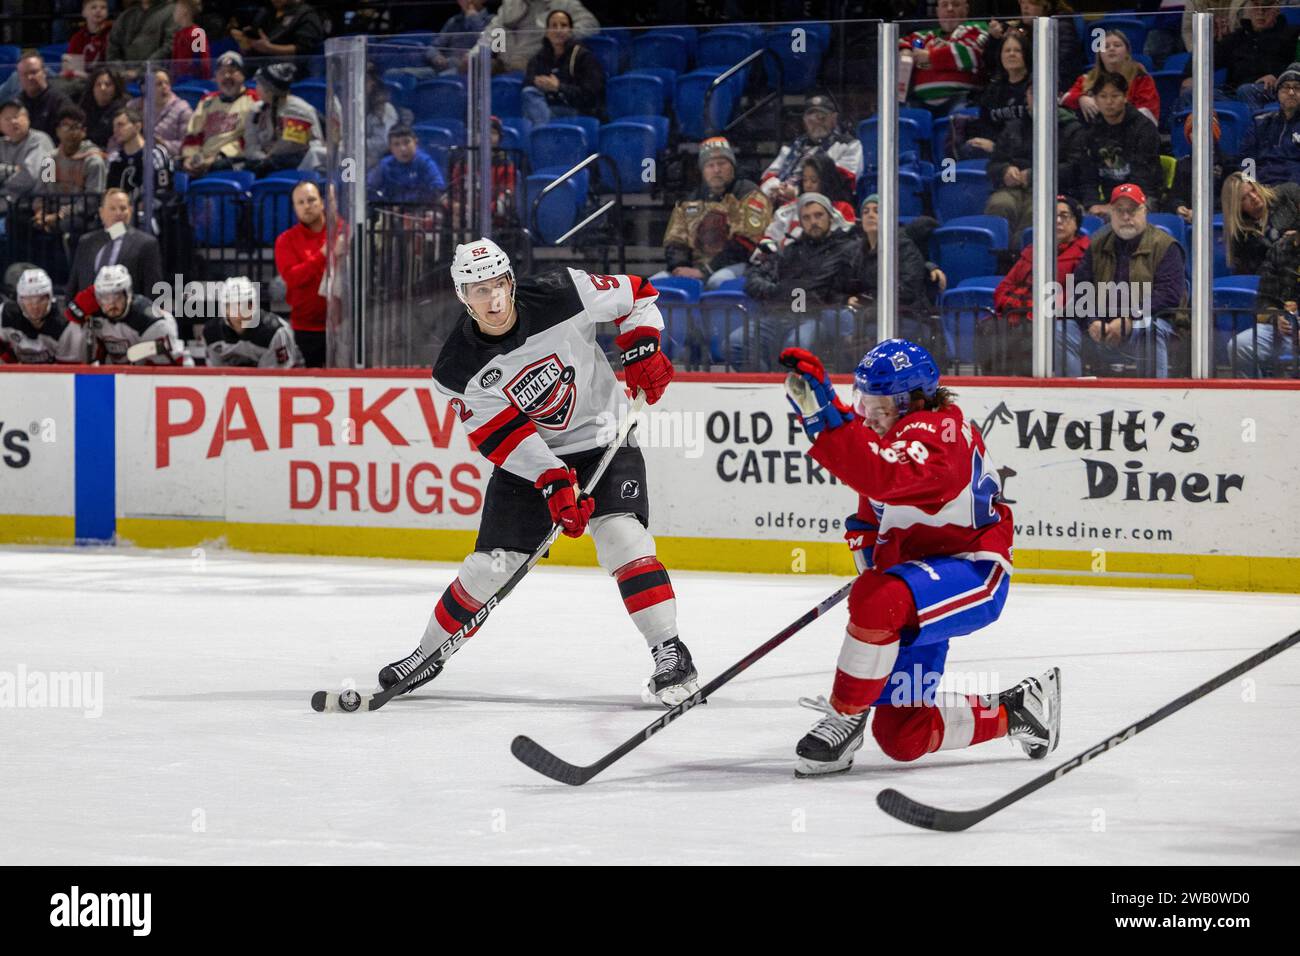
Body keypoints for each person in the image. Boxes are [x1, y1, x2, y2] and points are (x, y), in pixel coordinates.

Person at [375, 238, 698, 707]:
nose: (494, 299)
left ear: (511, 280)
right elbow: (502, 436)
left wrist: (643, 347)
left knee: (621, 537)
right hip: (532, 461)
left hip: (605, 436)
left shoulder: (563, 291)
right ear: (462, 297)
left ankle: (670, 651)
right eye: (479, 290)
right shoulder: (457, 368)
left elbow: (638, 294)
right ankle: (426, 655)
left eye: (499, 285)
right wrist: (552, 481)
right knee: (490, 567)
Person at [778, 338, 1058, 777]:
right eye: (864, 401)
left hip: (970, 573)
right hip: (920, 584)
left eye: (880, 404)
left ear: (914, 401)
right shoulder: (897, 432)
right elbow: (873, 504)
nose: (869, 414)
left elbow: (881, 474)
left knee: (877, 598)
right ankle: (1020, 710)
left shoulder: (938, 435)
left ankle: (846, 716)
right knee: (903, 734)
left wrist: (822, 418)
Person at [1062, 183, 1187, 378]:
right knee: (1060, 329)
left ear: (1144, 211)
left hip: (1146, 324)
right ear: (1111, 213)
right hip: (1102, 328)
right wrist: (1091, 321)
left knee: (1149, 327)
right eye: (1119, 211)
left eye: (1132, 210)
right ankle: (1069, 397)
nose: (1126, 217)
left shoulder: (1166, 245)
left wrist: (1129, 318)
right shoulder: (1097, 244)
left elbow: (1168, 295)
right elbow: (1080, 290)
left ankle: (1155, 398)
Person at [740, 192, 859, 369]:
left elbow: (818, 287)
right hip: (780, 315)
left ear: (830, 217)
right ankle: (763, 384)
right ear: (801, 222)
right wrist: (779, 292)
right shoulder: (791, 250)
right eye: (807, 217)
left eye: (819, 215)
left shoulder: (846, 248)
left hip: (817, 318)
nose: (814, 222)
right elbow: (754, 277)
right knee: (736, 343)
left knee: (794, 348)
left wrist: (785, 292)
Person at [991, 195, 1090, 374]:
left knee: (1033, 338)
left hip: (1058, 320)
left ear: (1076, 223)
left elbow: (1075, 295)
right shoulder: (1032, 251)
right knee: (990, 330)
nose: (1058, 221)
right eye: (1054, 216)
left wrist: (1036, 311)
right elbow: (1004, 287)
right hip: (1022, 315)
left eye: (1065, 216)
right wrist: (1019, 310)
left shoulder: (1085, 253)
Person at [656, 136, 771, 290]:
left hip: (741, 265)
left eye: (722, 164)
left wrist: (705, 271)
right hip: (694, 268)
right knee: (654, 284)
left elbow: (746, 242)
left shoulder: (749, 193)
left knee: (717, 281)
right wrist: (680, 268)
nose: (716, 170)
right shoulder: (690, 200)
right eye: (710, 165)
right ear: (703, 171)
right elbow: (675, 241)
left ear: (732, 166)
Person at [985, 80, 1094, 237]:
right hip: (1013, 189)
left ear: (1057, 97)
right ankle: (997, 259)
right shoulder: (1013, 127)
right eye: (1033, 93)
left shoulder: (1072, 129)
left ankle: (1021, 258)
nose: (1038, 97)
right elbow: (994, 164)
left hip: (1053, 191)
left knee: (1036, 212)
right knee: (999, 204)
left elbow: (1074, 169)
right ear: (1026, 97)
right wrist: (1005, 170)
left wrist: (1033, 176)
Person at [64, 263, 191, 365]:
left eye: (117, 296)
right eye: (105, 298)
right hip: (121, 374)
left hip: (157, 372)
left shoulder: (150, 321)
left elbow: (171, 366)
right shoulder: (95, 311)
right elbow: (71, 315)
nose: (111, 304)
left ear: (128, 294)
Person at [760, 91, 862, 205]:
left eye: (822, 117)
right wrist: (774, 188)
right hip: (783, 207)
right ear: (804, 121)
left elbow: (841, 183)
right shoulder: (791, 147)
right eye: (811, 119)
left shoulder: (848, 145)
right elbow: (769, 176)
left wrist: (797, 192)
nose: (817, 122)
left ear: (834, 118)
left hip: (826, 208)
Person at [1084, 71, 1162, 215]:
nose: (1109, 102)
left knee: (1119, 216)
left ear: (1125, 97)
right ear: (1095, 99)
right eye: (1103, 96)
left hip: (1142, 197)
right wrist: (1092, 204)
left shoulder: (1143, 128)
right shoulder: (1091, 130)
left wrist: (1116, 206)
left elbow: (1143, 177)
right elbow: (1088, 176)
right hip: (1107, 199)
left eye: (1115, 96)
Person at [66, 187, 165, 299]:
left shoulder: (146, 244)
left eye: (123, 208)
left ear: (130, 211)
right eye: (112, 209)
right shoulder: (87, 242)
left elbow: (153, 292)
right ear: (102, 213)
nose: (118, 213)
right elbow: (73, 287)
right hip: (90, 314)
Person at [274, 179, 333, 366]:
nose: (307, 206)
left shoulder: (341, 231)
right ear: (294, 208)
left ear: (322, 203)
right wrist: (322, 256)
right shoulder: (286, 240)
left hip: (342, 326)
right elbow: (292, 278)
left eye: (311, 200)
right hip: (306, 328)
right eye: (300, 202)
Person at [898, 0, 989, 114]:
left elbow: (970, 55)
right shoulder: (923, 36)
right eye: (944, 5)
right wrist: (905, 50)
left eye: (956, 4)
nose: (950, 9)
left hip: (963, 99)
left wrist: (929, 56)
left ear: (966, 9)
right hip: (920, 103)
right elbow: (907, 44)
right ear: (937, 11)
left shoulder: (977, 28)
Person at [180, 51, 260, 177]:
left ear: (243, 75)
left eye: (232, 71)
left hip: (233, 159)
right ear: (216, 77)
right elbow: (193, 133)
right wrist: (189, 158)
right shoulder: (207, 101)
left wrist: (218, 157)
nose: (227, 76)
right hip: (203, 159)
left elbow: (251, 138)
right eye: (222, 73)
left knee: (219, 166)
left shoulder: (254, 99)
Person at [1232, 229, 1300, 375]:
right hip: (1285, 330)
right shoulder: (1280, 248)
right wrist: (1274, 317)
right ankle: (1252, 396)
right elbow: (1264, 299)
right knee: (1239, 346)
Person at [521, 9, 605, 128]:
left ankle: (544, 134)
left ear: (570, 31)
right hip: (545, 109)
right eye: (553, 26)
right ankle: (545, 131)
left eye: (563, 25)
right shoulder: (538, 58)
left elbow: (591, 95)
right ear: (546, 32)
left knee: (534, 117)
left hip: (576, 112)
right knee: (528, 93)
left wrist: (558, 87)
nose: (558, 30)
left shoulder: (584, 56)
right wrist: (540, 83)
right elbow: (528, 84)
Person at [1062, 29, 1159, 127]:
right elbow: (1066, 98)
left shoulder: (1141, 78)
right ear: (1099, 54)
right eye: (1106, 46)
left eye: (1117, 45)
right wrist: (1081, 98)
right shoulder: (1087, 78)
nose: (1111, 49)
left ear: (1127, 52)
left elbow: (1147, 113)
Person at [761, 151, 855, 251]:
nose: (808, 185)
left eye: (814, 180)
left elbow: (846, 242)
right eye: (805, 180)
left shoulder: (842, 209)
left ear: (826, 180)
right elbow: (770, 238)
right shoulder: (788, 209)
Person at [983, 0, 1082, 94]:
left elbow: (1063, 67)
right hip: (1021, 89)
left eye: (1031, 2)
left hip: (1050, 90)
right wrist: (995, 40)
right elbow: (991, 65)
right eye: (1022, 2)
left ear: (1045, 6)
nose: (1025, 7)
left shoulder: (1061, 27)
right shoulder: (1018, 29)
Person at [203, 275, 303, 368]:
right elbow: (216, 376)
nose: (238, 309)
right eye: (231, 304)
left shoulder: (275, 331)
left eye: (244, 303)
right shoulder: (212, 332)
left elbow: (277, 378)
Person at [244, 63, 322, 175]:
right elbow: (251, 144)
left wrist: (269, 157)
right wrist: (261, 157)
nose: (256, 88)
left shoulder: (299, 111)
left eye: (259, 84)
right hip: (263, 162)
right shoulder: (256, 110)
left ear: (269, 89)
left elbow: (291, 146)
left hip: (299, 163)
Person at [963, 27, 1030, 158]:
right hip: (995, 152)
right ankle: (948, 178)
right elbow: (985, 123)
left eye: (1017, 50)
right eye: (1007, 50)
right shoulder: (994, 89)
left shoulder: (1033, 87)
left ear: (1026, 55)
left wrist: (997, 147)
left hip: (1023, 155)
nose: (1011, 54)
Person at [483, 0, 600, 74]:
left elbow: (591, 25)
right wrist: (476, 56)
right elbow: (494, 32)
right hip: (504, 70)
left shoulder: (564, 3)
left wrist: (560, 34)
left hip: (540, 70)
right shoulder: (510, 4)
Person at [1221, 172, 1300, 275]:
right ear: (1237, 206)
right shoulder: (1242, 237)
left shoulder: (1288, 194)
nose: (1253, 197)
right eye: (1245, 198)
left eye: (1253, 190)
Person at [0, 267, 83, 364]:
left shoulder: (66, 324)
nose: (35, 306)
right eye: (28, 299)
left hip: (54, 376)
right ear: (19, 299)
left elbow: (68, 371)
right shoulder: (5, 315)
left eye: (41, 299)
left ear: (50, 297)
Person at [1239, 63, 1300, 187]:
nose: (1291, 92)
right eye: (1286, 87)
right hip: (1262, 189)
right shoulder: (1260, 122)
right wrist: (1250, 184)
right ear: (1277, 93)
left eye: (1297, 88)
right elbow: (1247, 158)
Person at [231, 0, 326, 71]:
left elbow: (304, 49)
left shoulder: (306, 15)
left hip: (292, 70)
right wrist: (245, 43)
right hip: (261, 68)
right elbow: (256, 38)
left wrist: (270, 48)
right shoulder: (266, 12)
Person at [1163, 113, 1224, 225]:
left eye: (1204, 130)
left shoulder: (1228, 164)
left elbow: (1231, 202)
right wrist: (1179, 207)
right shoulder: (1182, 165)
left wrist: (1202, 213)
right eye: (1193, 131)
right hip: (1188, 221)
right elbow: (1173, 197)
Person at [106, 110, 174, 203]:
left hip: (152, 213)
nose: (115, 130)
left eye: (121, 125)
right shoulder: (114, 159)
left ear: (137, 126)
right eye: (114, 126)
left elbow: (163, 189)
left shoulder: (155, 153)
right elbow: (109, 192)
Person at [366, 125, 447, 204]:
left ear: (415, 142)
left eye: (406, 142)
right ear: (391, 148)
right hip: (392, 213)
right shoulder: (385, 165)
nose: (403, 149)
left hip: (421, 212)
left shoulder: (425, 163)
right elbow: (367, 188)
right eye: (396, 144)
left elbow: (438, 188)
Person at [0, 102, 54, 216]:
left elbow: (29, 176)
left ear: (28, 119)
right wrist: (13, 170)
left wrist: (3, 184)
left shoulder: (39, 140)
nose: (13, 122)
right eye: (7, 118)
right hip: (8, 204)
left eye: (16, 117)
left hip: (33, 207)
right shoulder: (2, 144)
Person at [129, 70, 193, 158]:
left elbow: (188, 145)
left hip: (167, 159)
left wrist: (164, 144)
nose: (164, 87)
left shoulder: (182, 109)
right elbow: (117, 137)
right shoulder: (134, 106)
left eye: (167, 83)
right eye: (159, 84)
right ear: (145, 88)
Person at [16, 55, 75, 140]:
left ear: (44, 72)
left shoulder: (60, 102)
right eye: (24, 74)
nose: (29, 77)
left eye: (34, 72)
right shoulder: (16, 104)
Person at [426, 0, 491, 75]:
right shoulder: (453, 21)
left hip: (468, 72)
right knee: (410, 74)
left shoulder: (491, 20)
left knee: (442, 77)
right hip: (440, 68)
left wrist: (473, 18)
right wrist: (436, 57)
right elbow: (433, 47)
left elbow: (487, 41)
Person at [107, 0, 178, 67]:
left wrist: (142, 70)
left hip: (156, 73)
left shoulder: (172, 12)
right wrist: (119, 71)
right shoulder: (126, 15)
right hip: (123, 74)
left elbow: (169, 46)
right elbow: (113, 47)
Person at [79, 66, 128, 151]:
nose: (102, 88)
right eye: (98, 84)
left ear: (116, 87)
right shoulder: (85, 105)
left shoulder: (124, 108)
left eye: (108, 84)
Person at [65, 0, 115, 79]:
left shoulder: (114, 33)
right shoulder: (77, 38)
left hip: (109, 79)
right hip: (84, 81)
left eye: (103, 7)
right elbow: (73, 69)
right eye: (93, 7)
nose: (98, 10)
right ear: (84, 13)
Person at [170, 0, 212, 81]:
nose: (173, 12)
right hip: (178, 82)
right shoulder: (178, 35)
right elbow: (174, 64)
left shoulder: (196, 33)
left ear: (185, 10)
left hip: (193, 82)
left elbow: (202, 64)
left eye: (176, 9)